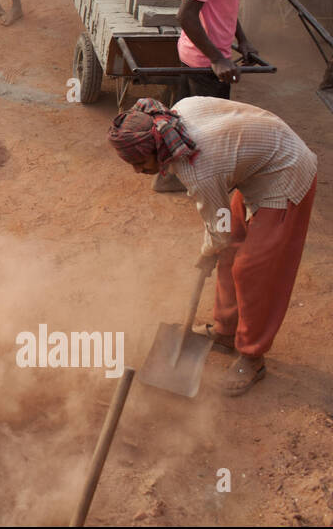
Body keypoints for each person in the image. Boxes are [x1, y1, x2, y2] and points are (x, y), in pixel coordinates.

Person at [107, 97, 317, 397]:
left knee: (254, 271)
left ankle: (252, 357)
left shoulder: (197, 168)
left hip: (286, 173)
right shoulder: (175, 117)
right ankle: (225, 331)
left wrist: (206, 253)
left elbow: (219, 232)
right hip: (255, 166)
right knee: (229, 254)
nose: (137, 172)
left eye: (141, 163)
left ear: (157, 150)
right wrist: (215, 249)